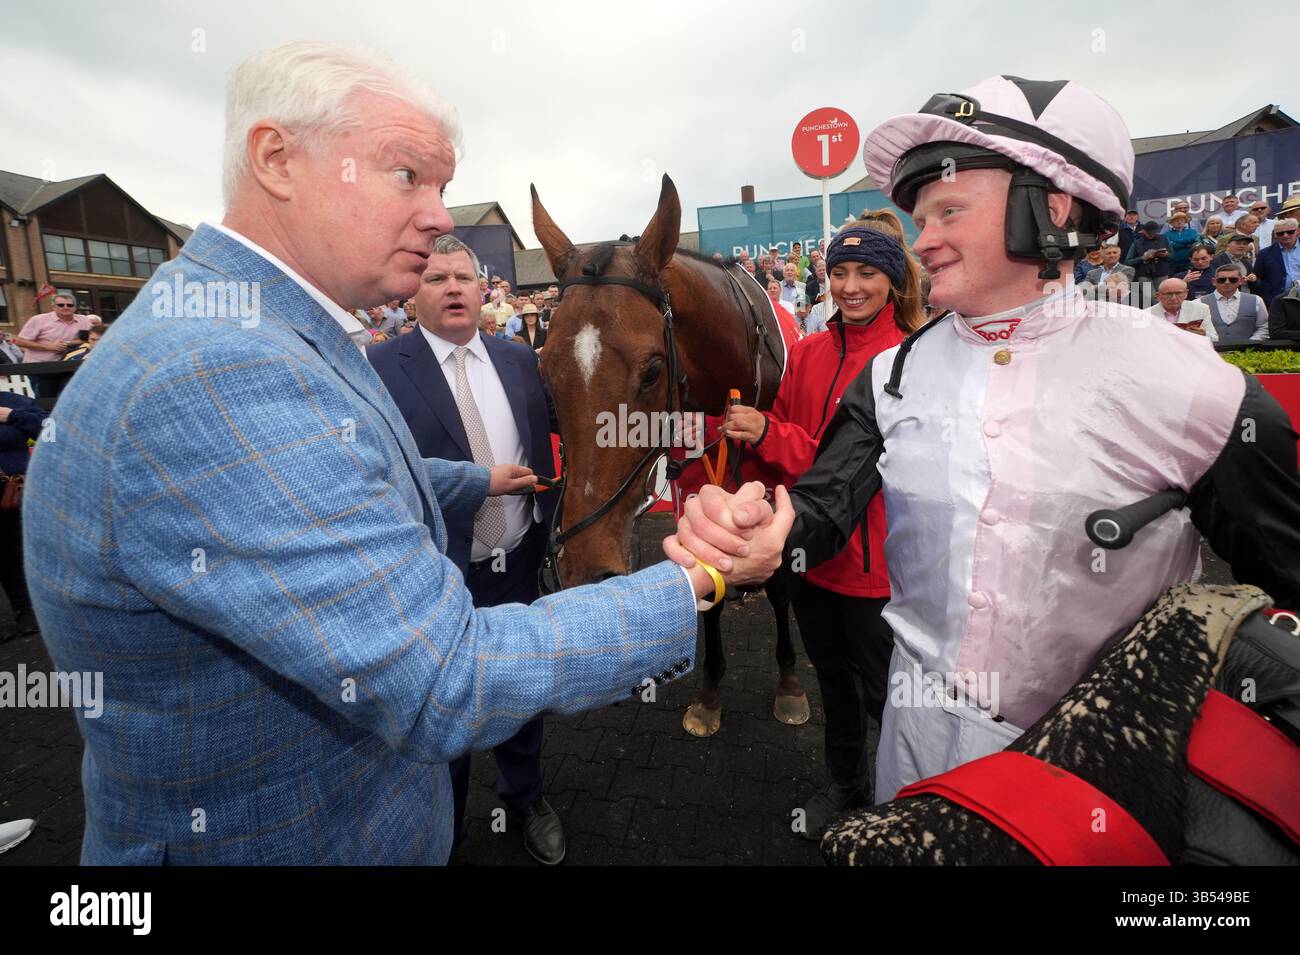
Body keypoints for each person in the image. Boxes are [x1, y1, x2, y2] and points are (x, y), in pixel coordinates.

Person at [25, 41, 790, 866]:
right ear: (277, 159)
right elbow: (443, 678)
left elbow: (329, 484)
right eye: (407, 176)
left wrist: (476, 478)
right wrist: (697, 579)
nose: (439, 217)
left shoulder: (256, 333)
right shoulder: (218, 371)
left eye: (444, 187)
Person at [667, 74, 1300, 803]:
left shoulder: (1195, 386)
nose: (921, 240)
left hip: (1103, 789)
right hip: (912, 763)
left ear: (1051, 208)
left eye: (946, 212)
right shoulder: (891, 376)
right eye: (919, 217)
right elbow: (824, 503)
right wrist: (768, 533)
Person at [719, 219, 922, 839]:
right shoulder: (805, 353)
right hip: (809, 563)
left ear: (893, 280)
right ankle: (846, 787)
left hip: (877, 571)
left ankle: (903, 806)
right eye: (839, 273)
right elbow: (774, 452)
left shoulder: (912, 358)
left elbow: (861, 469)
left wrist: (772, 435)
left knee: (886, 700)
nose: (850, 286)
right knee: (831, 684)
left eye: (866, 273)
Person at [368, 234, 563, 864]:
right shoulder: (378, 369)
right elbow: (374, 469)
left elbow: (575, 424)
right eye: (436, 279)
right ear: (413, 292)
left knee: (519, 685)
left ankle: (525, 793)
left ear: (484, 289)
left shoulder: (520, 359)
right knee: (438, 703)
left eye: (464, 277)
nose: (452, 288)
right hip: (433, 574)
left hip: (520, 557)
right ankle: (444, 829)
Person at [0, 390, 49, 639]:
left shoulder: (11, 402)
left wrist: (13, 416)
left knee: (15, 553)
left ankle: (25, 609)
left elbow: (53, 431)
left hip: (14, 493)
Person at [12, 293, 94, 396]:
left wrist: (68, 343)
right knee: (45, 401)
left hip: (68, 367)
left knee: (67, 399)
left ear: (75, 308)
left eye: (69, 305)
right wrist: (49, 347)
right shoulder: (38, 320)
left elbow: (90, 340)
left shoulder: (84, 320)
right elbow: (20, 341)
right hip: (41, 368)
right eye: (61, 305)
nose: (65, 307)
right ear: (53, 307)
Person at [1198, 261, 1269, 341]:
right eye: (1222, 280)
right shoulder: (1199, 302)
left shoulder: (1256, 300)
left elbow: (1264, 327)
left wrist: (1250, 344)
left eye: (1233, 280)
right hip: (1210, 350)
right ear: (1214, 281)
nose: (1227, 282)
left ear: (1241, 281)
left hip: (1247, 351)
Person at [1149, 277, 1213, 339]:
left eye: (1178, 293)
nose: (1173, 298)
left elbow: (1214, 337)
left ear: (1186, 293)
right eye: (1168, 294)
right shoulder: (1147, 314)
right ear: (1158, 296)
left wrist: (1204, 334)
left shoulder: (1201, 309)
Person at [1254, 217, 1298, 306]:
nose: (1285, 235)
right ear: (1275, 235)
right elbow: (1257, 278)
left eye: (1290, 232)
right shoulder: (1264, 254)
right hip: (1276, 301)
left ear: (1297, 231)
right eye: (1280, 233)